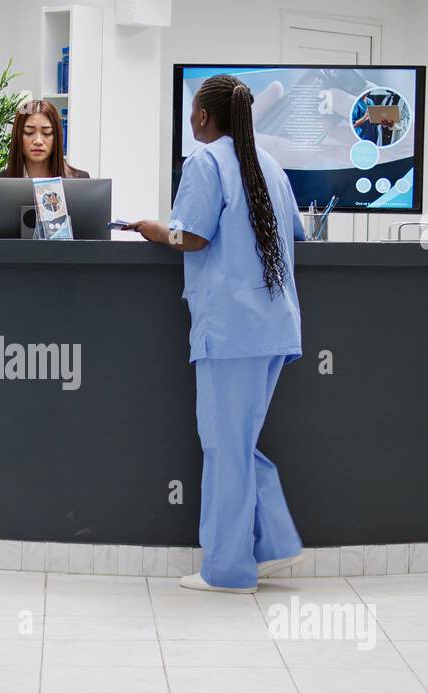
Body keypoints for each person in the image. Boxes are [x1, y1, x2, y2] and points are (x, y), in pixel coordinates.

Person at [126, 74, 307, 594]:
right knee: (237, 442)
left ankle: (227, 570)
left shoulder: (205, 162)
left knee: (225, 448)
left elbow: (192, 236)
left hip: (231, 330)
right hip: (273, 326)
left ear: (203, 116)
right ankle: (274, 544)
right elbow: (296, 233)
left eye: (192, 112)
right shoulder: (270, 166)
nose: (190, 119)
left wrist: (151, 228)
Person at [0, 99, 90, 179]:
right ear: (17, 136)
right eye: (29, 132)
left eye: (47, 132)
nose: (38, 141)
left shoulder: (79, 179)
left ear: (57, 136)